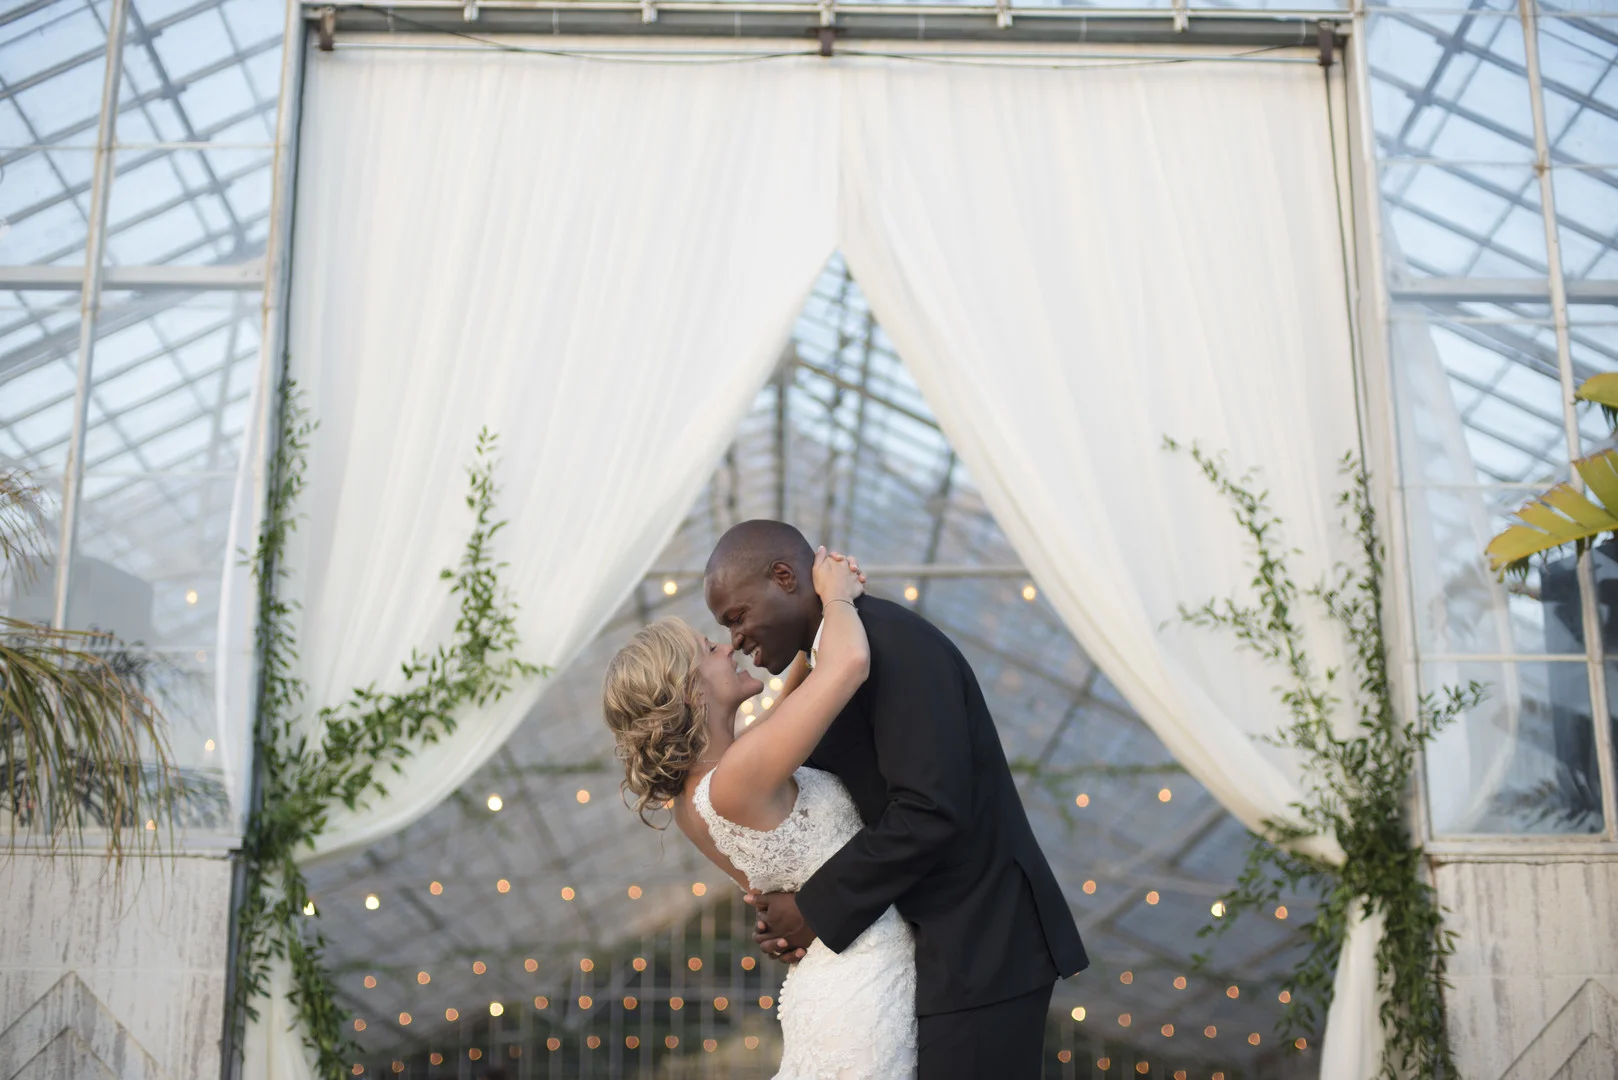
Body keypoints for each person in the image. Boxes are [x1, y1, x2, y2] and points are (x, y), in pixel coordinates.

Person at [705, 520, 1088, 1079]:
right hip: (931, 950)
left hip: (981, 943)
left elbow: (931, 808)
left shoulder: (893, 644)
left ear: (785, 577)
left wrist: (814, 907)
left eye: (737, 617)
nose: (735, 639)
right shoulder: (832, 664)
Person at [603, 545, 917, 1079]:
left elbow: (788, 702)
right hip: (861, 985)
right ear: (690, 693)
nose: (730, 648)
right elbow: (849, 663)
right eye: (710, 648)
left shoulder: (699, 793)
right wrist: (837, 596)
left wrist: (806, 616)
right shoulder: (740, 776)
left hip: (840, 978)